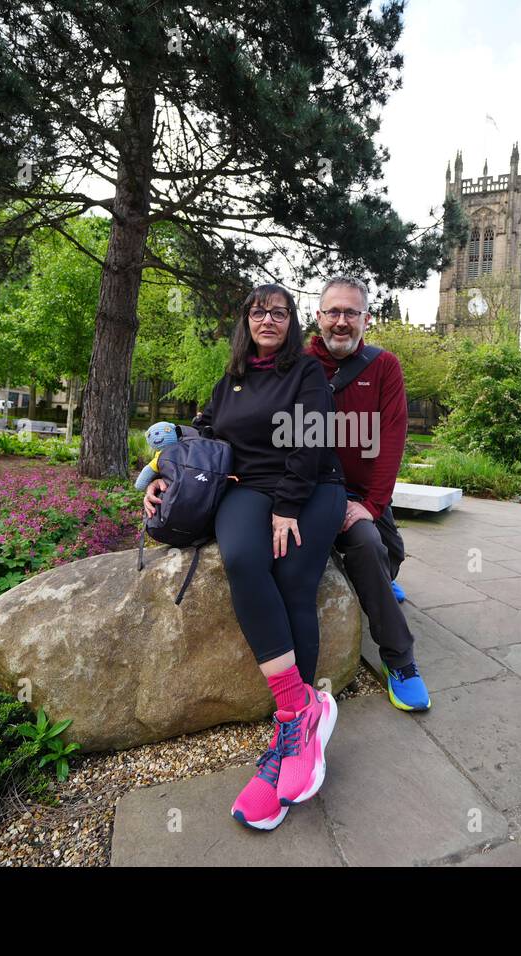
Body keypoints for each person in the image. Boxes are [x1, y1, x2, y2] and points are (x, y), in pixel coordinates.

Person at [144, 284, 345, 832]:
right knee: (240, 557)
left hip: (312, 487)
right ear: (246, 321)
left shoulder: (305, 372)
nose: (268, 319)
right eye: (259, 311)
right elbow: (202, 435)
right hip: (248, 488)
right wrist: (161, 475)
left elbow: (313, 439)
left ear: (292, 323)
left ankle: (290, 738)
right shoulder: (228, 380)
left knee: (294, 580)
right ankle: (299, 709)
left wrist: (288, 507)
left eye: (279, 312)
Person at [306, 275, 430, 712]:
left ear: (366, 319)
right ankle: (397, 660)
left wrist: (371, 506)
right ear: (318, 317)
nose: (342, 321)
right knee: (362, 550)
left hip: (361, 493)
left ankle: (396, 642)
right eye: (333, 312)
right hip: (310, 492)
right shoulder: (295, 363)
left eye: (351, 313)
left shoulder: (384, 366)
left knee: (378, 552)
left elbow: (392, 439)